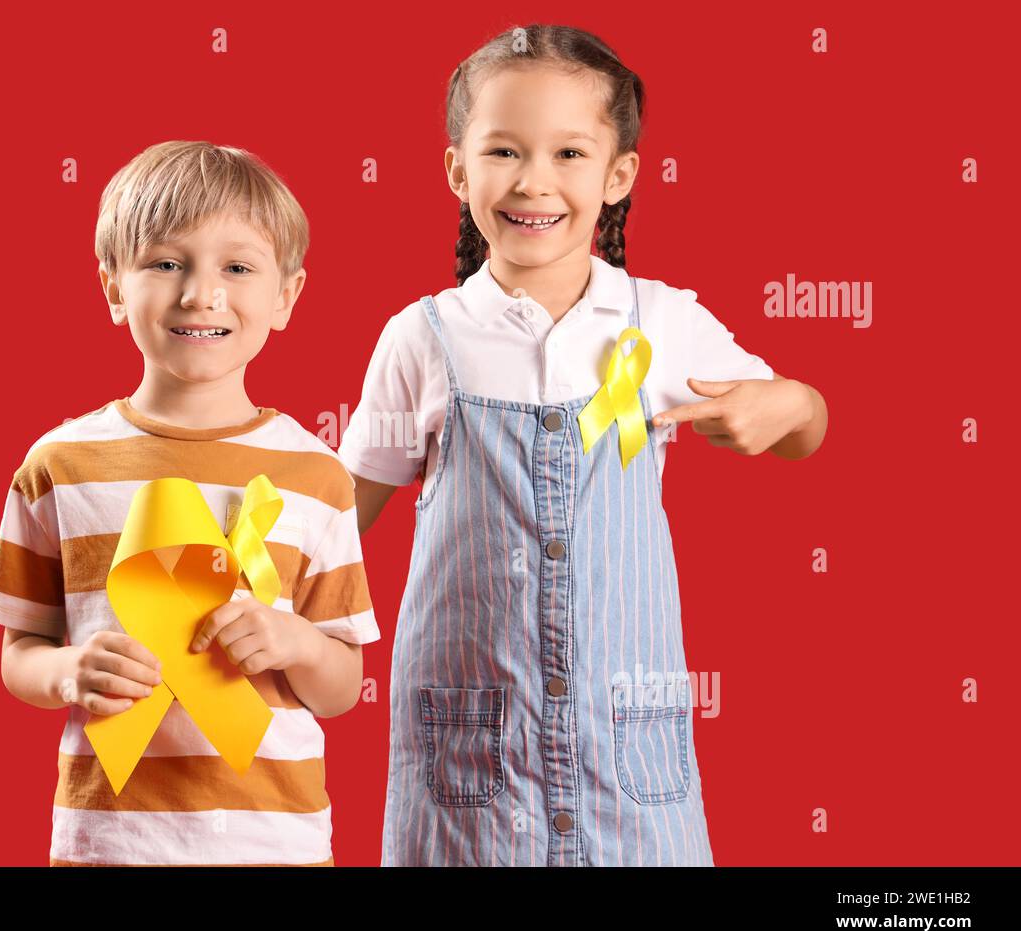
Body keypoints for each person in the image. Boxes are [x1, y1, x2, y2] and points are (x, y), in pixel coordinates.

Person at [338, 24, 827, 866]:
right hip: (471, 744)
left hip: (624, 743)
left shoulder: (662, 321)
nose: (534, 180)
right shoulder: (422, 336)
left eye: (569, 153)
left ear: (620, 174)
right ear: (458, 168)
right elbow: (342, 516)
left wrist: (787, 401)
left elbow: (805, 430)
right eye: (503, 151)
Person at [0, 141, 379, 866]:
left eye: (238, 267)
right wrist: (69, 671)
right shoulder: (58, 465)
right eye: (166, 263)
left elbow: (343, 685)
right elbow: (19, 654)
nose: (201, 293)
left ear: (285, 296)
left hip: (276, 840)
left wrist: (296, 644)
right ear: (113, 288)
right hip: (110, 840)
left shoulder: (318, 474)